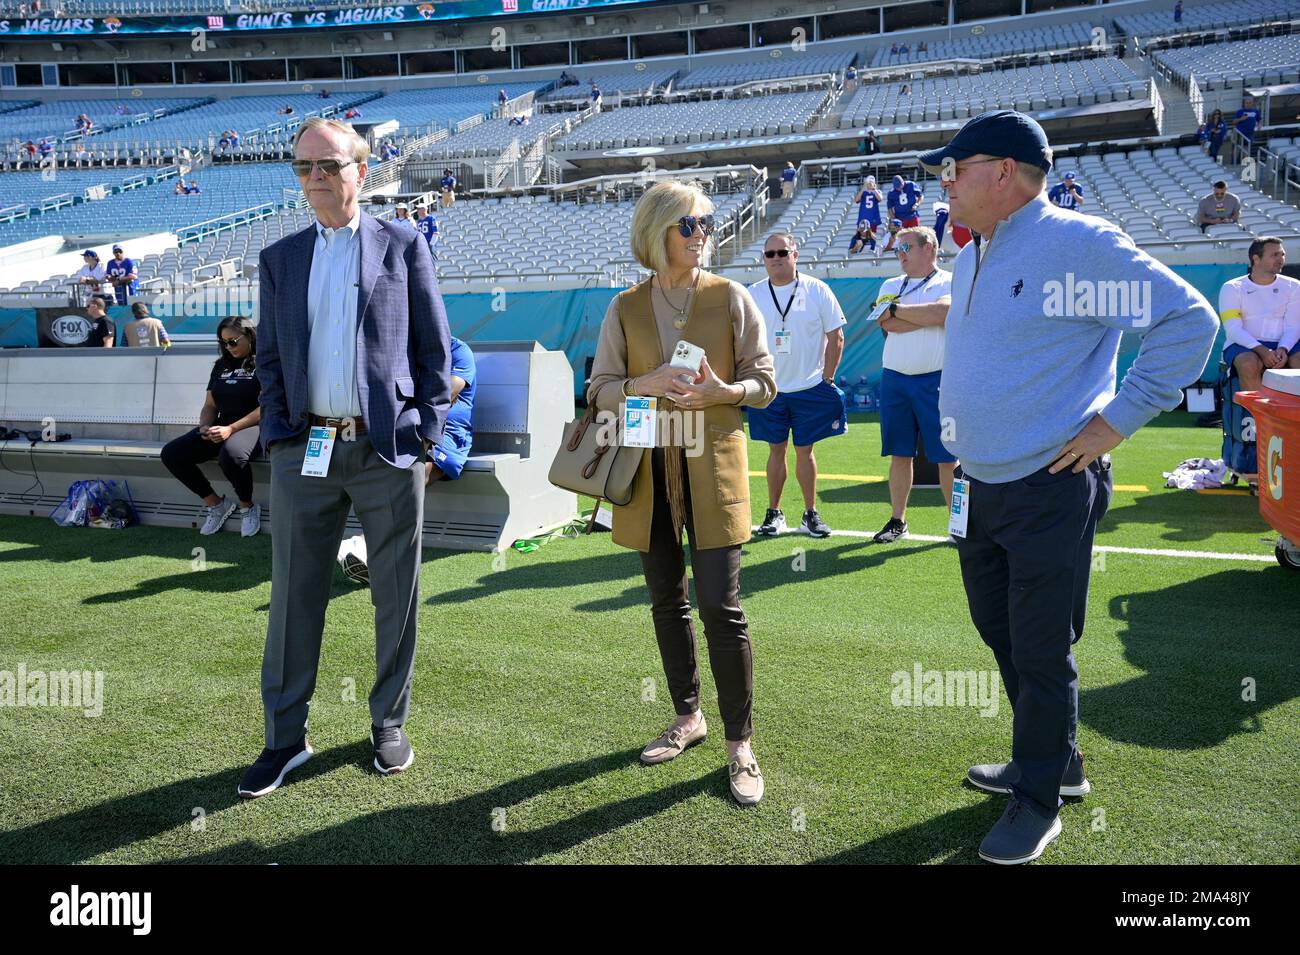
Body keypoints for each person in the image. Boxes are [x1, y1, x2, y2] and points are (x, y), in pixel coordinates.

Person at [919, 110, 1217, 864]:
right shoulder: (975, 252)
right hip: (977, 487)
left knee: (1042, 647)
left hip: (1048, 486)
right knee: (1000, 632)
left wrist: (1115, 421)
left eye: (955, 168)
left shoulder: (1077, 245)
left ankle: (1038, 798)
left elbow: (1189, 319)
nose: (944, 184)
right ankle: (1058, 760)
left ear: (1006, 174)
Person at [239, 116, 453, 798]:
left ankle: (388, 722)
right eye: (304, 167)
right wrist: (279, 437)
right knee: (293, 598)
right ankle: (284, 736)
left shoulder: (403, 243)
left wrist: (424, 436)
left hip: (385, 448)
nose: (315, 178)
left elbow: (433, 353)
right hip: (307, 447)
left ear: (363, 170)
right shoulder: (279, 259)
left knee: (396, 594)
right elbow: (269, 359)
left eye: (328, 165)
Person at [587, 180, 776, 805]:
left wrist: (724, 392)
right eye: (692, 225)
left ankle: (739, 743)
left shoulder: (731, 296)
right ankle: (688, 716)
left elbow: (764, 383)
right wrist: (646, 381)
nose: (705, 234)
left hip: (713, 467)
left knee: (722, 607)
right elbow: (601, 389)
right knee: (668, 603)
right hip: (646, 473)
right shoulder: (624, 306)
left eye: (709, 223)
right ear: (658, 231)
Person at [749, 233, 847, 539]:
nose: (776, 258)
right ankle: (774, 512)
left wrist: (827, 378)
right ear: (763, 259)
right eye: (769, 254)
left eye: (782, 252)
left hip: (809, 387)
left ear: (795, 254)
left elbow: (837, 335)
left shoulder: (817, 289)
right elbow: (739, 339)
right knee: (775, 451)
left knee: (805, 452)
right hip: (770, 389)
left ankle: (810, 513)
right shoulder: (752, 293)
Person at [868, 226, 956, 543]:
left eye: (906, 247)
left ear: (929, 247)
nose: (900, 254)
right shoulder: (891, 284)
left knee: (948, 457)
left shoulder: (949, 280)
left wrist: (898, 310)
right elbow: (887, 324)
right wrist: (916, 315)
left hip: (937, 380)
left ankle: (957, 526)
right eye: (897, 249)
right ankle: (897, 521)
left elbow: (944, 313)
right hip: (895, 379)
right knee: (899, 454)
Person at [160, 316, 263, 537]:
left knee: (231, 455)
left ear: (250, 336)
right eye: (224, 343)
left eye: (233, 341)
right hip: (222, 427)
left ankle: (247, 507)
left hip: (256, 426)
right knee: (172, 453)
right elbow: (209, 405)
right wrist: (205, 426)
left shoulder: (266, 363)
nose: (228, 347)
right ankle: (216, 504)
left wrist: (231, 429)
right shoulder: (221, 365)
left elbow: (267, 406)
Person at [1218, 236, 1300, 395]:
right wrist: (1263, 351)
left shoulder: (1295, 286)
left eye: (1282, 254)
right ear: (1256, 259)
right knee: (1249, 364)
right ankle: (1256, 418)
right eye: (1274, 255)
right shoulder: (1232, 288)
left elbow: (1294, 325)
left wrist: (1283, 348)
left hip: (1285, 343)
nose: (1281, 259)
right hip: (1243, 345)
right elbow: (1233, 330)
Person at [853, 173, 884, 247]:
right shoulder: (863, 192)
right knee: (861, 237)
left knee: (872, 236)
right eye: (869, 182)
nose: (870, 184)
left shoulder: (877, 191)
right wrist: (864, 188)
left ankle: (872, 249)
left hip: (873, 217)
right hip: (863, 218)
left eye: (872, 182)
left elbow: (880, 199)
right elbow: (856, 200)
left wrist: (874, 189)